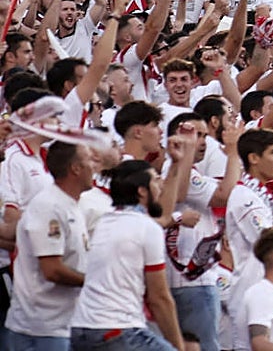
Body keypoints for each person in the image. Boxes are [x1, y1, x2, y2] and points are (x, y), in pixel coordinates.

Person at [70, 159, 186, 351]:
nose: (161, 186)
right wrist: (179, 347)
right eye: (156, 181)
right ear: (142, 191)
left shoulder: (103, 222)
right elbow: (160, 298)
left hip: (80, 328)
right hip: (117, 329)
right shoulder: (147, 228)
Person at [5, 142, 96, 351]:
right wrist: (95, 281)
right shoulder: (48, 207)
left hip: (63, 325)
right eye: (89, 160)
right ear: (75, 168)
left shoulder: (70, 204)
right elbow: (52, 270)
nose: (94, 166)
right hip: (39, 331)